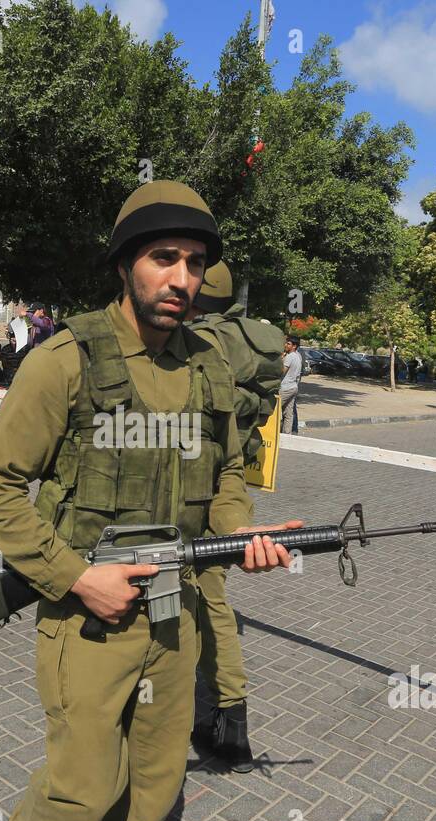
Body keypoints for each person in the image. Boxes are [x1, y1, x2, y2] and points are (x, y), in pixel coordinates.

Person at [0, 181, 299, 821]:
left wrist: (243, 539)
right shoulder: (67, 361)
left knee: (152, 788)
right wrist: (78, 577)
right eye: (163, 258)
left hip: (174, 620)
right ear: (125, 264)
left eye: (195, 263)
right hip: (88, 621)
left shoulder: (208, 366)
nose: (181, 278)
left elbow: (228, 473)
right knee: (82, 789)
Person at [187, 260, 286, 772]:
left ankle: (226, 727)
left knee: (203, 598)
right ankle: (230, 725)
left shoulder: (194, 343)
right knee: (211, 596)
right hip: (229, 484)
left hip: (187, 486)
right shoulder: (256, 343)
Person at [280, 335, 303, 433]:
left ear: (294, 346)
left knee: (275, 409)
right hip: (294, 387)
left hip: (285, 388)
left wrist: (281, 359)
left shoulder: (289, 357)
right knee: (289, 413)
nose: (286, 345)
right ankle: (287, 434)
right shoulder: (298, 356)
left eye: (288, 344)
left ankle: (274, 433)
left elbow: (282, 372)